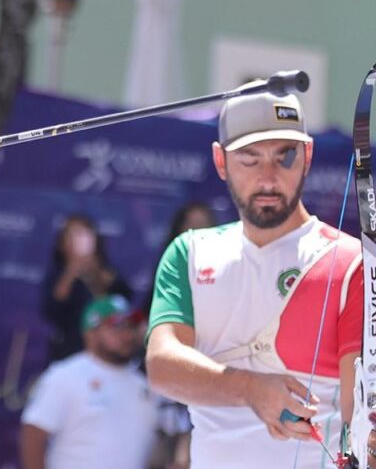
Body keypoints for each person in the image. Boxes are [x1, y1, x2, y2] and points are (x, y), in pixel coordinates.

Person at [146, 91, 362, 467]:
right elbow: (162, 365)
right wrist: (251, 388)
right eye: (249, 158)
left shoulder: (350, 262)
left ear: (307, 156)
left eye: (285, 157)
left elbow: (360, 411)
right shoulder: (190, 253)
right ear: (221, 160)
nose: (268, 178)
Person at [20, 294, 159, 469]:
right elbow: (33, 435)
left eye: (130, 327)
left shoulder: (148, 382)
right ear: (90, 334)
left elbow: (163, 440)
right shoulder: (65, 375)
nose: (126, 335)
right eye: (116, 326)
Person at [143, 202, 216, 469]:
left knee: (190, 455)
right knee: (165, 453)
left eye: (203, 223)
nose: (196, 231)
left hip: (214, 376)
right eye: (190, 224)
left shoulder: (231, 268)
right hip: (174, 378)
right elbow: (153, 325)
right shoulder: (171, 267)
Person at [42, 214, 132, 362]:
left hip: (107, 349)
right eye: (71, 235)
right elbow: (52, 307)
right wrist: (72, 270)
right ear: (62, 243)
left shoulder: (106, 270)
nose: (79, 241)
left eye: (83, 235)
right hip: (70, 346)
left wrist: (96, 274)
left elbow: (119, 303)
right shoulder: (57, 272)